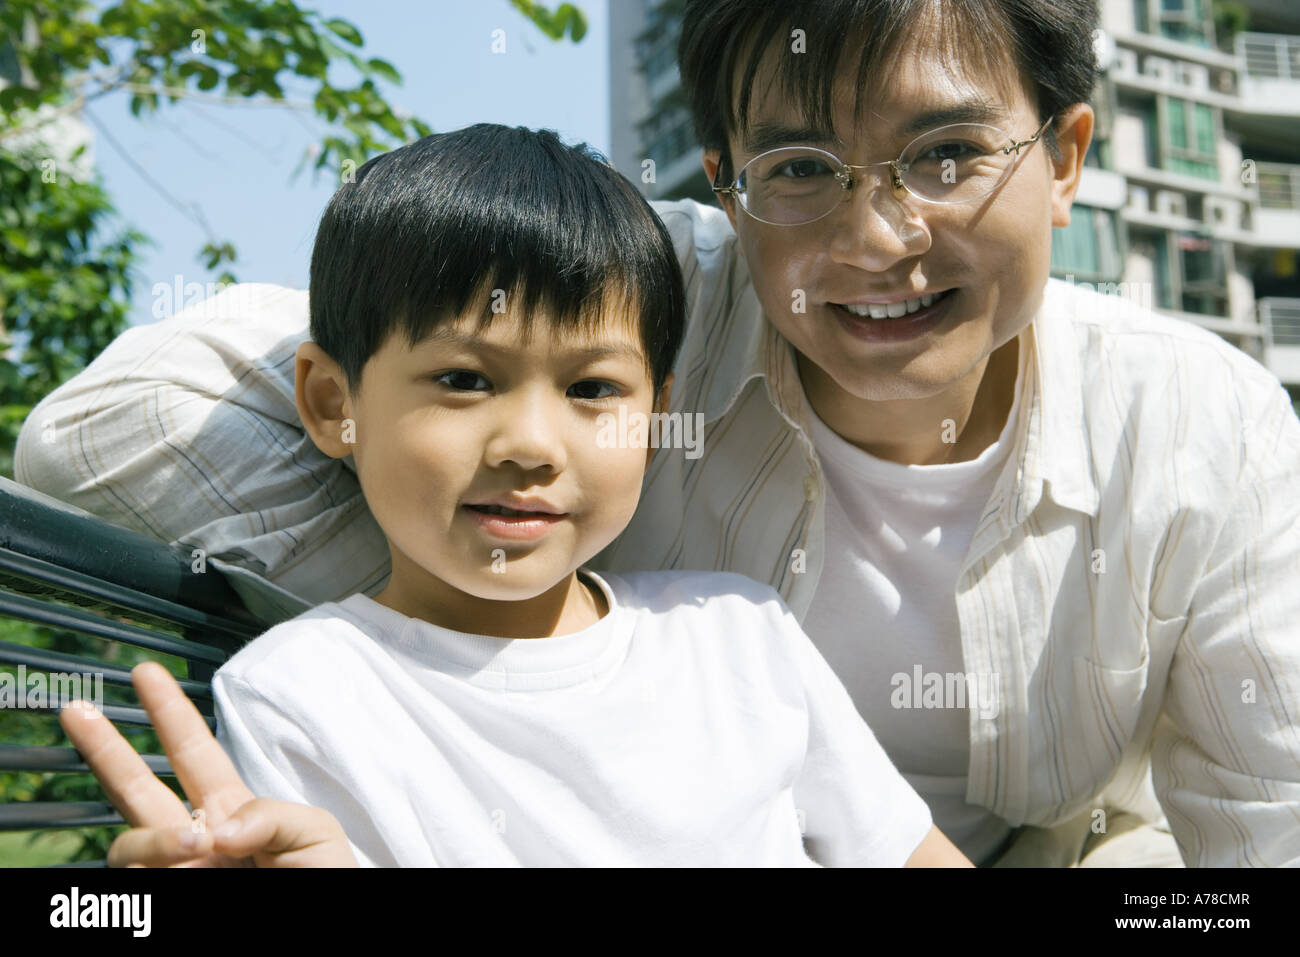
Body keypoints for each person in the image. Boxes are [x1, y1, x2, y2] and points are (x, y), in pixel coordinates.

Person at [26, 0, 1300, 866]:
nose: (875, 241)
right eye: (798, 167)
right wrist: (482, 624)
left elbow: (1266, 825)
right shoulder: (629, 306)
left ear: (1067, 153)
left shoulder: (1205, 429)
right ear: (722, 180)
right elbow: (110, 428)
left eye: (947, 152)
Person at [60, 123, 971, 867]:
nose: (533, 445)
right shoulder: (301, 695)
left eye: (592, 390)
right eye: (462, 379)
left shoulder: (741, 636)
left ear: (656, 423)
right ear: (334, 404)